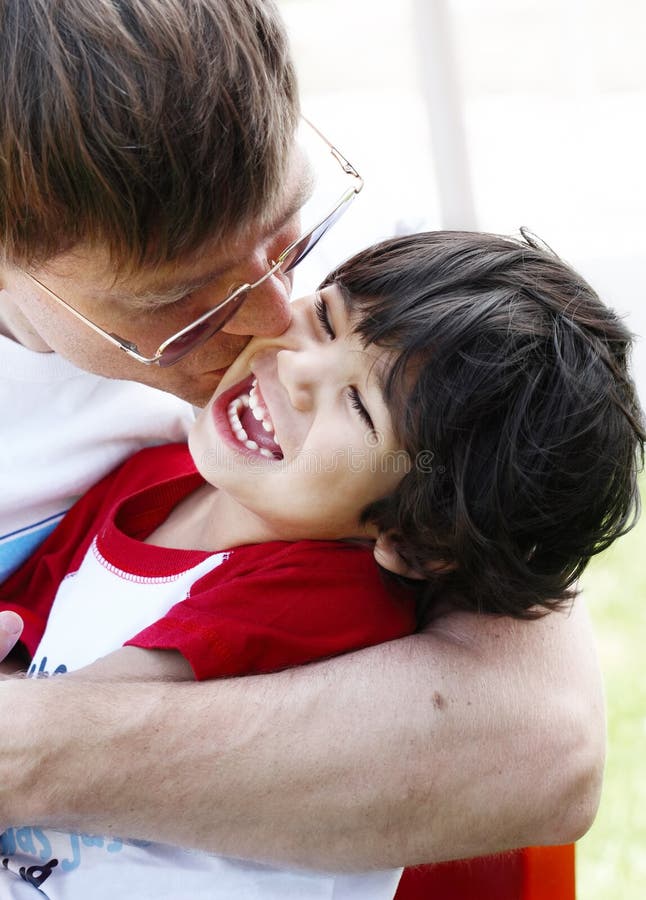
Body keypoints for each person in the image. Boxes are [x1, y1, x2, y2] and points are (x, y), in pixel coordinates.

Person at [0, 0, 608, 881]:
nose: (277, 326)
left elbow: (545, 739)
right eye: (182, 297)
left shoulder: (401, 318)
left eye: (291, 234)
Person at [2, 229, 642, 898]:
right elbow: (28, 626)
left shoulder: (325, 596)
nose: (298, 369)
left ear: (416, 542)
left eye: (360, 406)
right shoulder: (152, 477)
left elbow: (87, 710)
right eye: (327, 318)